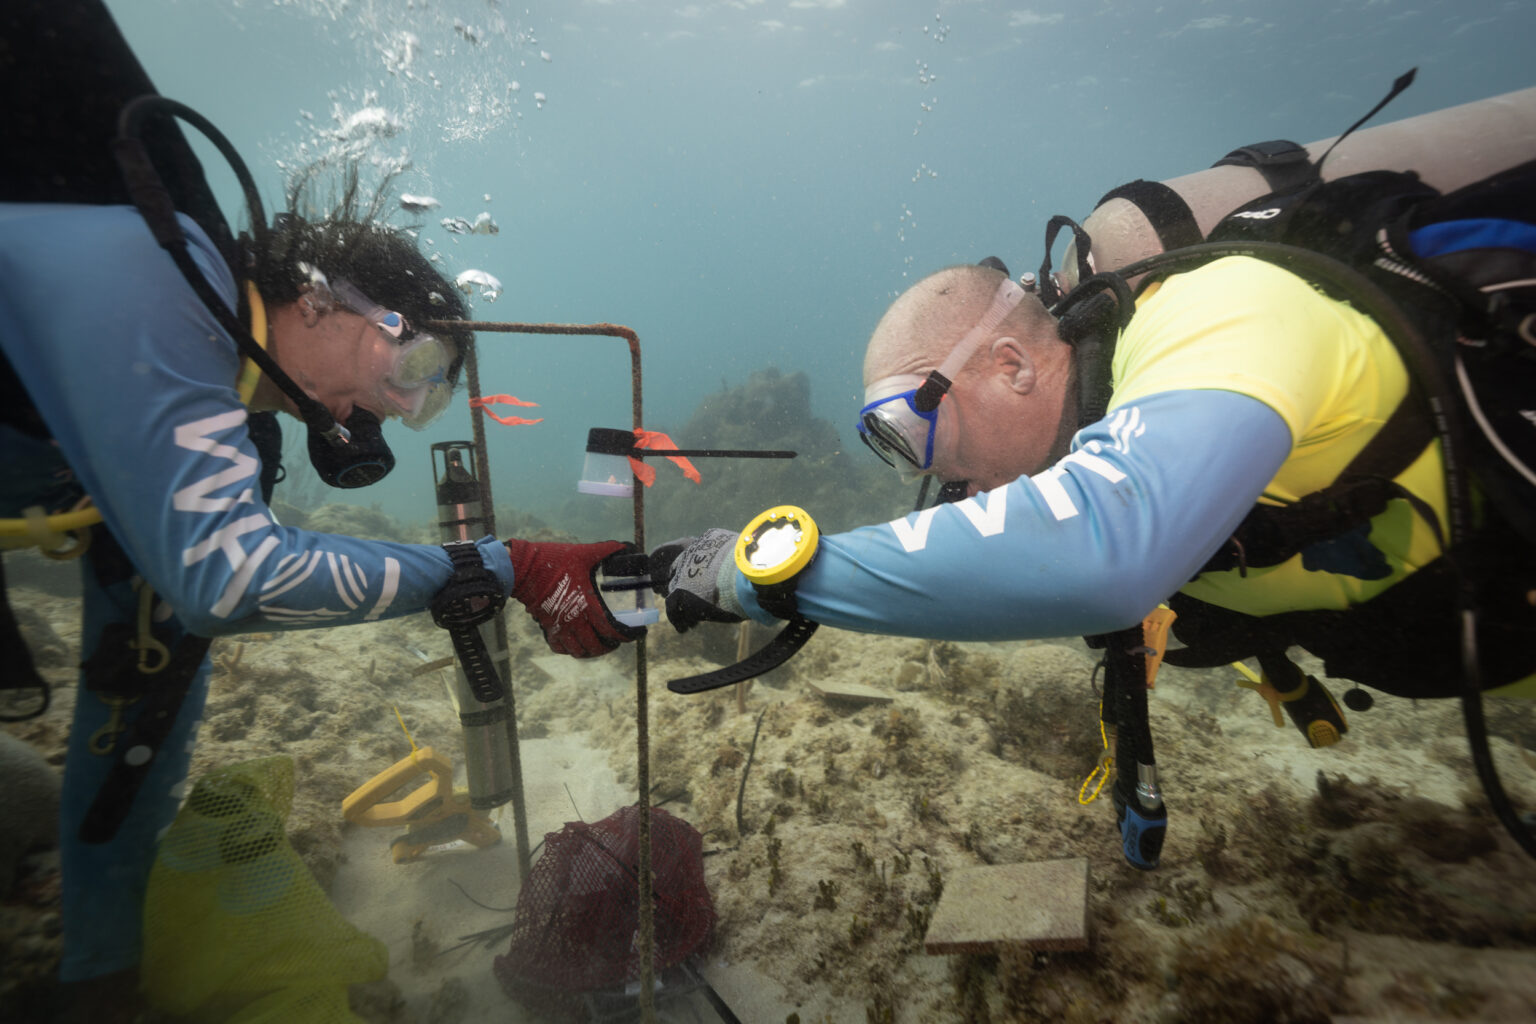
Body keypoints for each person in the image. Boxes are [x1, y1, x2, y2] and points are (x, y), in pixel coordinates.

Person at [0, 171, 640, 1012]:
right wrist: (500, 565)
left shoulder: (228, 413)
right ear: (317, 299)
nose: (400, 404)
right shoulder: (163, 288)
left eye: (430, 394)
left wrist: (102, 977)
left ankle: (96, 963)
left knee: (151, 673)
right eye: (410, 364)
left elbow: (145, 694)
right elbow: (229, 579)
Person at [651, 255, 1536, 708]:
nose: (921, 470)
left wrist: (759, 573)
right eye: (888, 446)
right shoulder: (1106, 445)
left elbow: (1106, 555)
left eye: (912, 428)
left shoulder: (1218, 311)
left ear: (1012, 366)